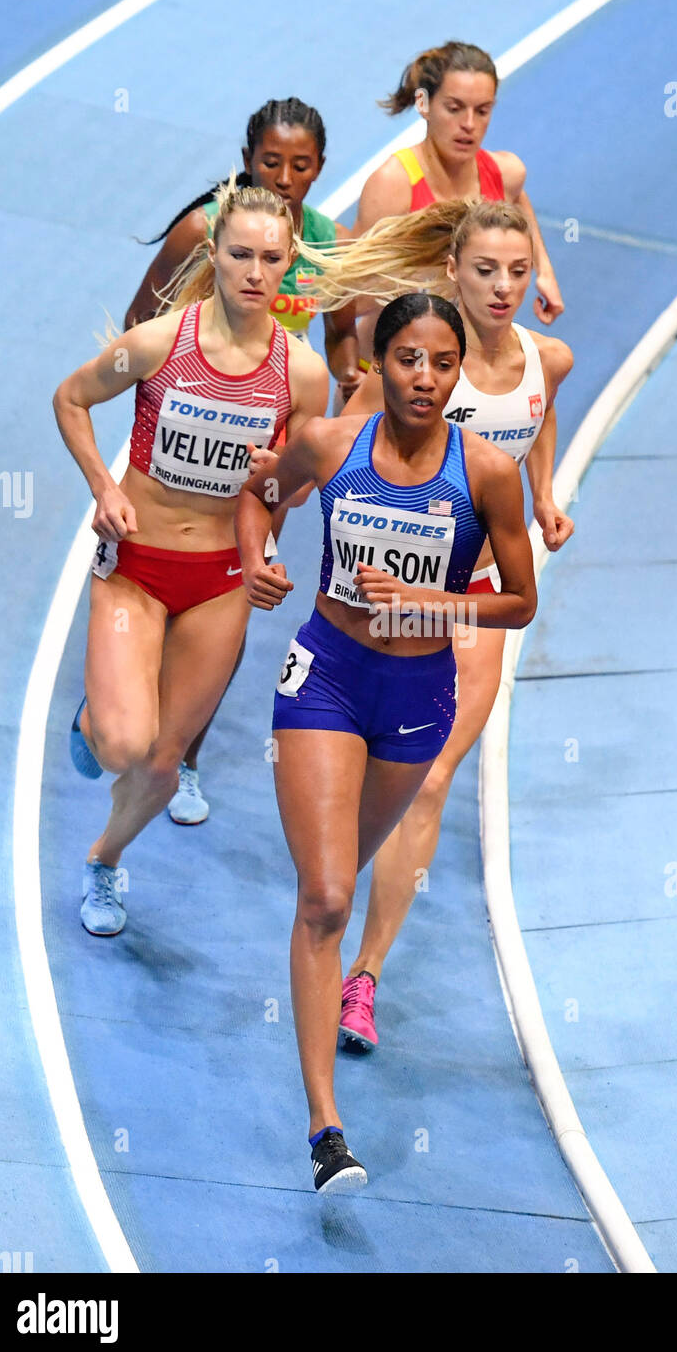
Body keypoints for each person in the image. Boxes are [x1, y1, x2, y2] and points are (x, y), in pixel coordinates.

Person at [235, 293, 537, 1190]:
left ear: (457, 373)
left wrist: (433, 605)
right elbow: (262, 499)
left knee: (348, 872)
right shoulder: (333, 444)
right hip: (326, 674)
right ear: (381, 358)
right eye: (409, 359)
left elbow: (521, 601)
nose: (426, 379)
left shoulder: (484, 473)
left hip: (416, 694)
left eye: (444, 364)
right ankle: (327, 1128)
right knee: (326, 895)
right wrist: (257, 557)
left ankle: (337, 974)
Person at [300, 198, 573, 1048]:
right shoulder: (418, 359)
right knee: (382, 770)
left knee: (433, 774)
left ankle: (365, 975)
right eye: (485, 271)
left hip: (477, 591)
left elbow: (534, 420)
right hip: (380, 587)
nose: (504, 288)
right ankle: (330, 876)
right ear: (451, 272)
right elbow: (342, 445)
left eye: (520, 272)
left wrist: (547, 493)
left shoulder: (549, 357)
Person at [55, 181, 328, 936]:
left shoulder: (303, 374)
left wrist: (275, 493)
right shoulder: (158, 344)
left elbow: (296, 486)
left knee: (162, 763)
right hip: (135, 566)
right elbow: (71, 399)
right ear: (214, 255)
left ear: (289, 265)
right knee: (121, 744)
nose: (253, 271)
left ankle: (104, 862)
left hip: (221, 581)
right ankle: (93, 718)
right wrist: (105, 488)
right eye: (239, 254)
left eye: (270, 258)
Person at [124, 99, 359, 824]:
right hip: (183, 438)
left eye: (302, 166)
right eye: (271, 163)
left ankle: (185, 757)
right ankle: (118, 701)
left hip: (267, 460)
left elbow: (344, 343)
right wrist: (195, 385)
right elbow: (138, 323)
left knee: (233, 597)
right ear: (247, 158)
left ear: (321, 170)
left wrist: (344, 393)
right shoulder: (206, 228)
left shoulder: (326, 248)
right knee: (159, 588)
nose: (286, 179)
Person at [351, 41, 565, 368]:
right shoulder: (393, 185)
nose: (469, 124)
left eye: (482, 110)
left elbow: (518, 206)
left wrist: (544, 272)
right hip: (386, 373)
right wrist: (423, 275)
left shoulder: (505, 173)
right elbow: (352, 298)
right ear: (424, 103)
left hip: (463, 370)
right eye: (454, 108)